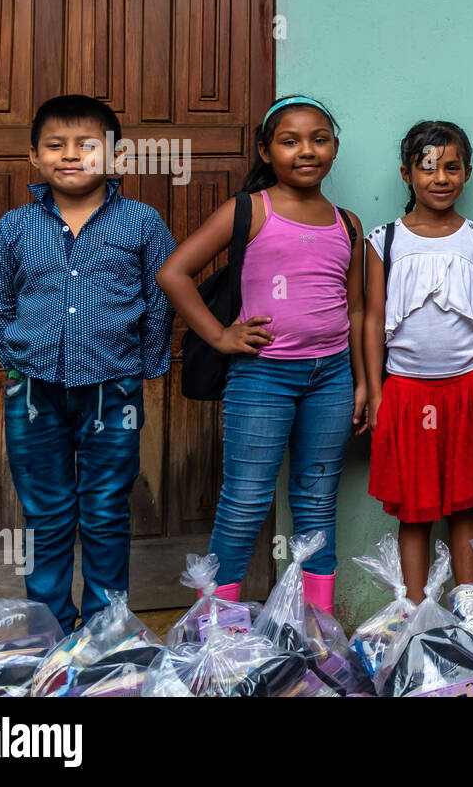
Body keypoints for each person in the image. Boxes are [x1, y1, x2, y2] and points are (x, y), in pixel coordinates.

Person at [156, 95, 366, 616]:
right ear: (266, 151)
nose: (306, 151)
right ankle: (217, 630)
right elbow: (172, 273)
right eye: (290, 141)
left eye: (319, 139)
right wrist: (220, 335)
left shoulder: (348, 223)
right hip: (262, 377)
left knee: (317, 501)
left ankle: (316, 625)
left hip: (332, 377)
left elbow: (356, 310)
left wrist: (363, 383)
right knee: (246, 500)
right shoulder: (250, 209)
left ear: (335, 147)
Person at [0, 94, 176, 632]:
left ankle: (104, 629)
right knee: (45, 512)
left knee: (106, 509)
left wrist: (141, 365)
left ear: (114, 155)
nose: (72, 155)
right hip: (32, 391)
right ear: (34, 157)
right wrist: (17, 361)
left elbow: (160, 297)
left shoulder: (141, 222)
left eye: (87, 145)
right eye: (56, 145)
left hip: (112, 390)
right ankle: (48, 627)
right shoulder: (15, 225)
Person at [364, 120, 473, 602]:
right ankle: (415, 611)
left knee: (464, 504)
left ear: (467, 173)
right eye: (427, 167)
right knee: (414, 509)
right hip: (407, 391)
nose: (441, 177)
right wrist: (374, 392)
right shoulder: (384, 240)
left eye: (452, 167)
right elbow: (371, 321)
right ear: (407, 173)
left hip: (470, 389)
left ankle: (470, 606)